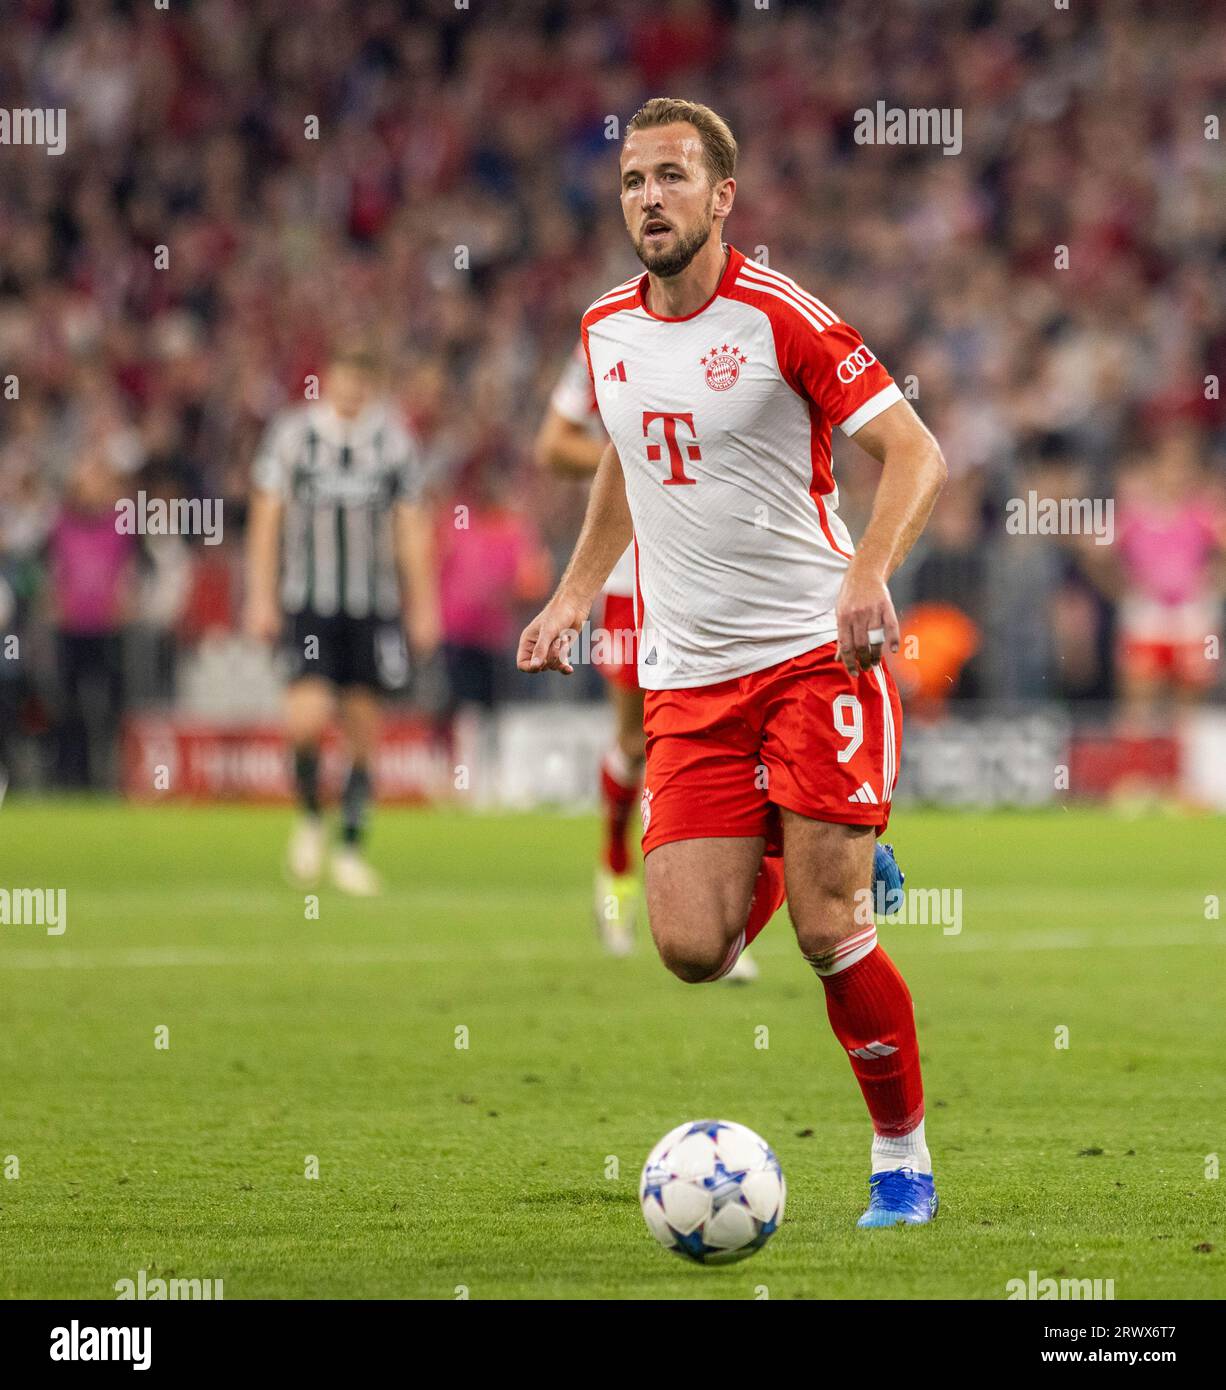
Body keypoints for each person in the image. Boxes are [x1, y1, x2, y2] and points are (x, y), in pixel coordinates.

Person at [517, 99, 947, 1227]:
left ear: (720, 197)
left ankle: (900, 1158)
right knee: (691, 948)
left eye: (669, 177)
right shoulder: (604, 327)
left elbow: (913, 449)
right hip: (688, 676)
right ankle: (828, 838)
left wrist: (868, 570)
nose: (646, 198)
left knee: (821, 927)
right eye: (629, 181)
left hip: (815, 651)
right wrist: (573, 589)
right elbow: (620, 456)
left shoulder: (778, 315)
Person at [244, 345, 439, 894]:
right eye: (343, 380)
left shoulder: (393, 441)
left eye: (361, 382)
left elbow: (410, 525)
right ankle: (309, 814)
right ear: (326, 380)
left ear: (372, 385)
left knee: (362, 731)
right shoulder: (292, 436)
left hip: (372, 609)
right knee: (305, 721)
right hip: (309, 603)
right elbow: (266, 516)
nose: (351, 391)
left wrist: (423, 606)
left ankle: (350, 850)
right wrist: (259, 597)